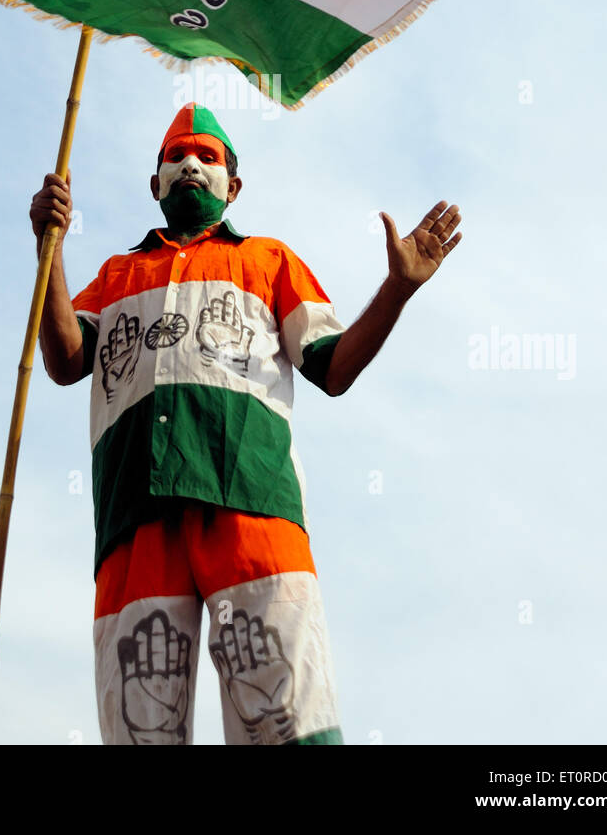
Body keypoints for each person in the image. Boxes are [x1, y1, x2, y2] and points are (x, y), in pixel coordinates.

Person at [30, 103, 461, 745]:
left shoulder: (269, 261)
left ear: (233, 186)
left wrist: (397, 289)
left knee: (286, 720)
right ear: (156, 184)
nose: (191, 166)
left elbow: (333, 367)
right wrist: (50, 249)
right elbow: (65, 361)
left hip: (252, 506)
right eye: (177, 156)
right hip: (134, 517)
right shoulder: (116, 277)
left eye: (208, 157)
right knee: (138, 726)